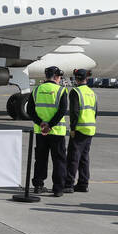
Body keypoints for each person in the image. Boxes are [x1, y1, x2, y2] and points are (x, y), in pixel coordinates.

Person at [27, 66, 68, 197]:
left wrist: (41, 124)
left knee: (40, 159)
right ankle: (58, 189)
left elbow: (30, 111)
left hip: (40, 132)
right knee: (59, 161)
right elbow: (62, 111)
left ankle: (38, 185)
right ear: (56, 77)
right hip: (57, 132)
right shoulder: (61, 90)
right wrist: (50, 125)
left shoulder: (37, 90)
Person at [66, 68, 97, 192]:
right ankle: (83, 184)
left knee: (73, 157)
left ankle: (68, 184)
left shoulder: (75, 92)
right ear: (86, 79)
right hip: (90, 128)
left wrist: (72, 128)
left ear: (76, 79)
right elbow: (95, 112)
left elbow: (74, 112)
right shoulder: (92, 93)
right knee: (84, 158)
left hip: (79, 128)